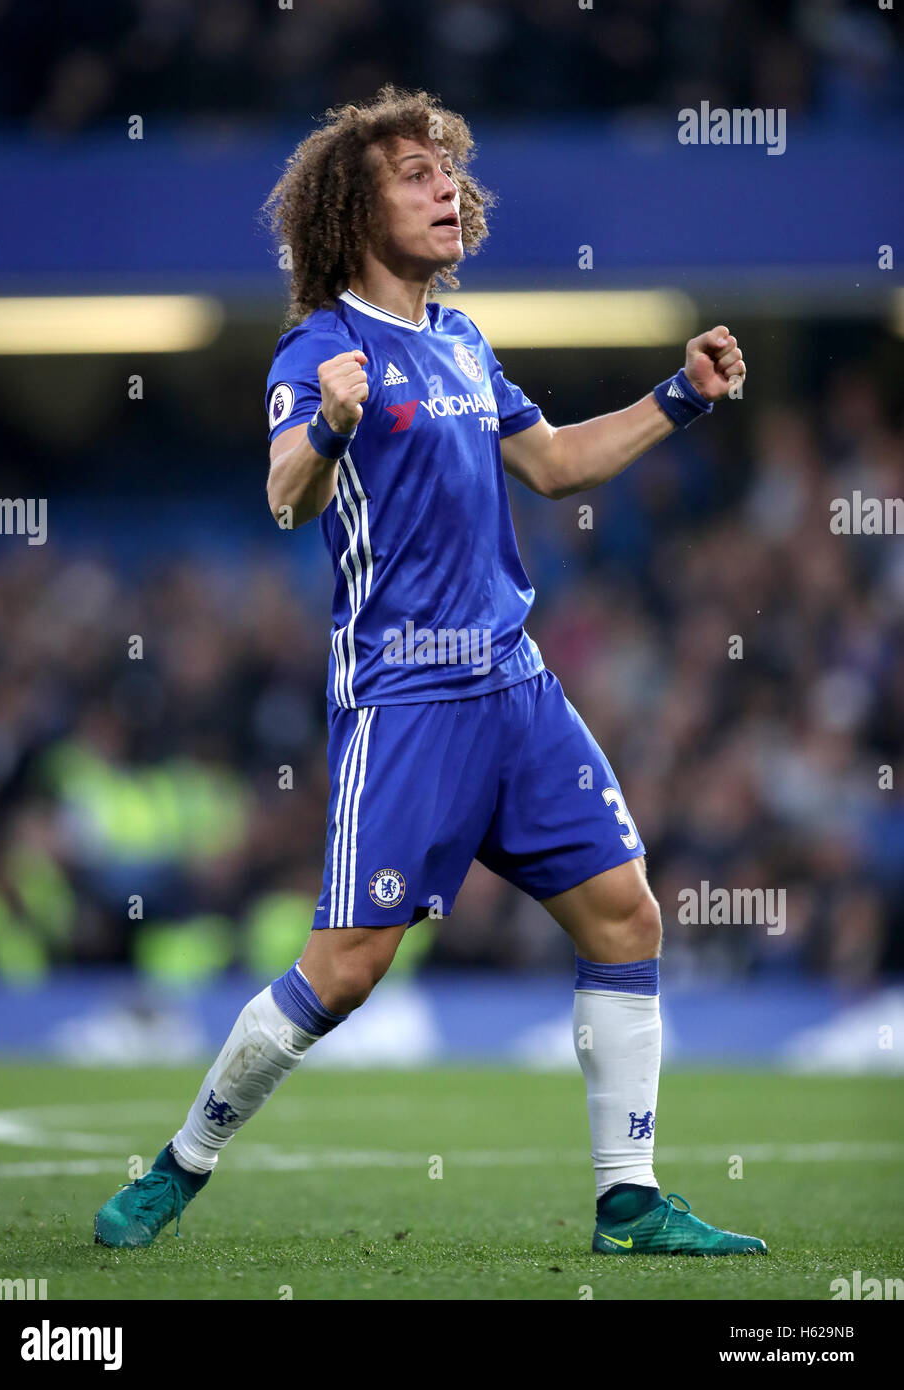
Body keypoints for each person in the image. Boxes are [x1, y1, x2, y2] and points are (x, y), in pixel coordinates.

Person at [95, 85, 763, 1258]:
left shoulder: (461, 339)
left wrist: (680, 398)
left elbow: (552, 465)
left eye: (447, 169)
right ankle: (178, 1164)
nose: (445, 187)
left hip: (517, 686)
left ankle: (628, 1200)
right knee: (346, 972)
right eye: (414, 173)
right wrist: (333, 426)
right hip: (407, 702)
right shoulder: (320, 349)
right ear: (358, 208)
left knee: (626, 914)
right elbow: (282, 491)